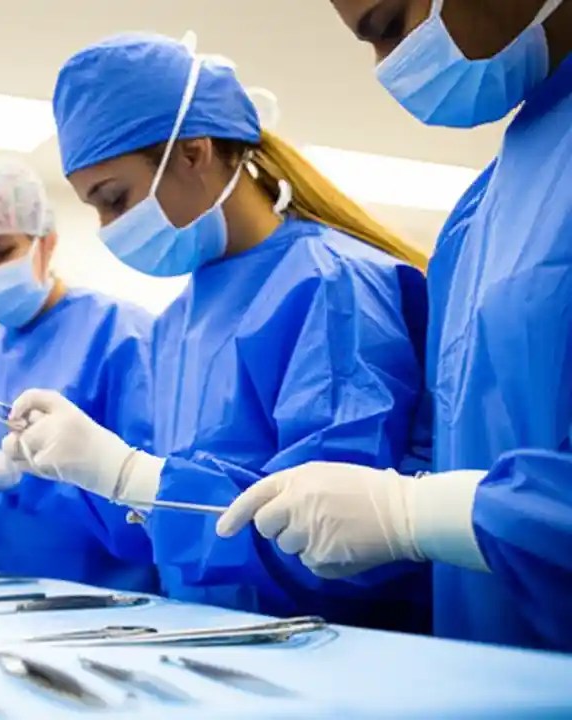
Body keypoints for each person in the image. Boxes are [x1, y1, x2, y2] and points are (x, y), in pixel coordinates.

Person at [0, 33, 433, 627]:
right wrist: (79, 470)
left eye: (114, 198)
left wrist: (135, 476)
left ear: (194, 152)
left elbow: (335, 546)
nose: (106, 227)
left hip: (333, 646)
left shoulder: (333, 285)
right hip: (215, 637)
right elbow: (159, 533)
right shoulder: (179, 320)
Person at [218, 0, 572, 651]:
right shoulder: (478, 213)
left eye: (388, 25)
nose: (388, 67)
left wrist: (414, 515)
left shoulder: (329, 276)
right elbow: (451, 442)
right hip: (488, 658)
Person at [0, 159, 158, 591]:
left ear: (47, 243)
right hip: (10, 610)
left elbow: (154, 508)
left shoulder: (122, 336)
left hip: (121, 607)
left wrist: (23, 473)